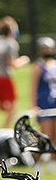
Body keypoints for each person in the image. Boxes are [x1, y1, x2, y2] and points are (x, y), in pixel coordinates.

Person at [31, 36, 56, 171]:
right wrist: (34, 106)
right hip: (44, 104)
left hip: (54, 103)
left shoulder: (54, 64)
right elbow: (33, 88)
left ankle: (53, 162)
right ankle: (38, 163)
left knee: (55, 136)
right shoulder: (38, 66)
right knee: (45, 136)